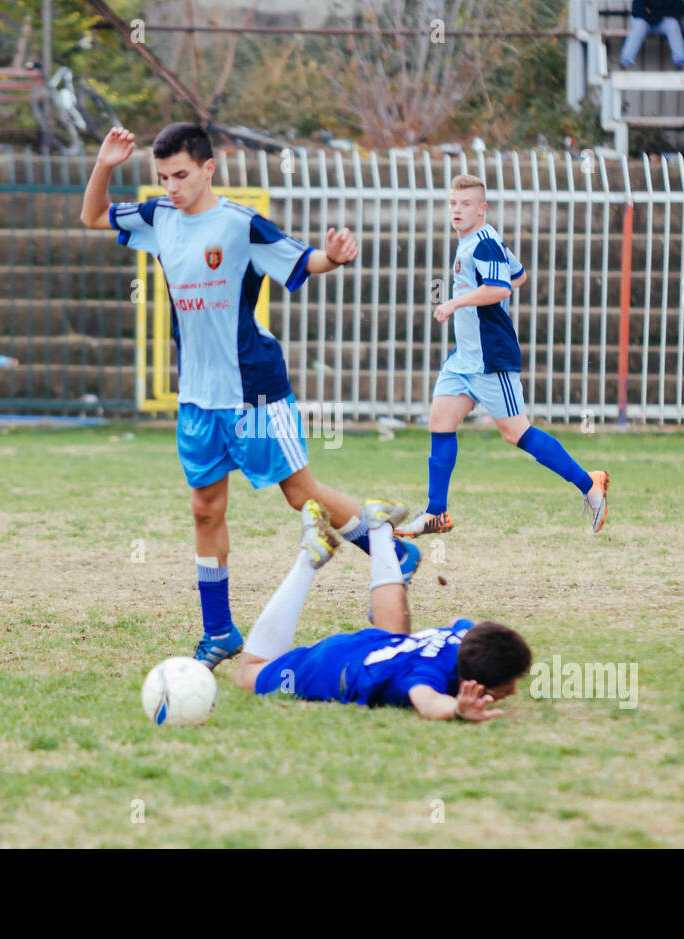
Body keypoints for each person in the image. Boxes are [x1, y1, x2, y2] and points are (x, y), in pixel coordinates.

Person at [80, 124, 420, 670]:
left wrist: (333, 256)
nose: (171, 187)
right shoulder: (156, 219)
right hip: (197, 397)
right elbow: (93, 216)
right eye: (163, 177)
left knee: (299, 493)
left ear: (208, 168)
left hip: (254, 391)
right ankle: (219, 632)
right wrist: (105, 164)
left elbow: (303, 259)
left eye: (181, 175)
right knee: (204, 508)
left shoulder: (240, 225)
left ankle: (393, 551)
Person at [396, 175, 609, 540]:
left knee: (516, 433)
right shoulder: (480, 241)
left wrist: (455, 302)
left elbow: (499, 287)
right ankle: (436, 512)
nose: (457, 211)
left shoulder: (483, 244)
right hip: (464, 358)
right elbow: (519, 275)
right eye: (453, 204)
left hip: (491, 359)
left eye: (465, 204)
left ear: (482, 208)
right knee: (440, 422)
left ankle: (589, 484)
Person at [234, 498, 533, 722]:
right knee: (248, 674)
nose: (515, 692)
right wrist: (456, 709)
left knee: (396, 634)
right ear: (473, 683)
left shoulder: (466, 636)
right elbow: (428, 703)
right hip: (334, 669)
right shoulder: (427, 674)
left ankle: (379, 529)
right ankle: (307, 561)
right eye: (507, 686)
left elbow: (462, 623)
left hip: (379, 646)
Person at [620, 0, 684, 70]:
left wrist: (652, 12)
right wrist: (660, 14)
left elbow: (677, 10)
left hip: (661, 22)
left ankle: (680, 63)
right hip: (645, 20)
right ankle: (626, 63)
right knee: (639, 26)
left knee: (672, 24)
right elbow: (637, 10)